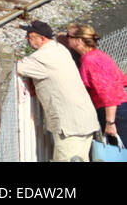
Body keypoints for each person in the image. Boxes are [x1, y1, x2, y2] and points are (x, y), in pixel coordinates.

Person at [16, 20, 100, 161]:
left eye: (29, 36)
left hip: (70, 127)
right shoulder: (59, 49)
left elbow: (17, 68)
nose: (26, 39)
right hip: (83, 120)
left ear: (42, 39)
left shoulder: (42, 57)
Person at [64, 22, 127, 145]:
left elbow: (109, 95)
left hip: (113, 112)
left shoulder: (91, 61)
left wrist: (110, 123)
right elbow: (122, 80)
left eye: (68, 36)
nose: (66, 38)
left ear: (79, 41)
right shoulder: (97, 55)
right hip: (119, 108)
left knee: (120, 151)